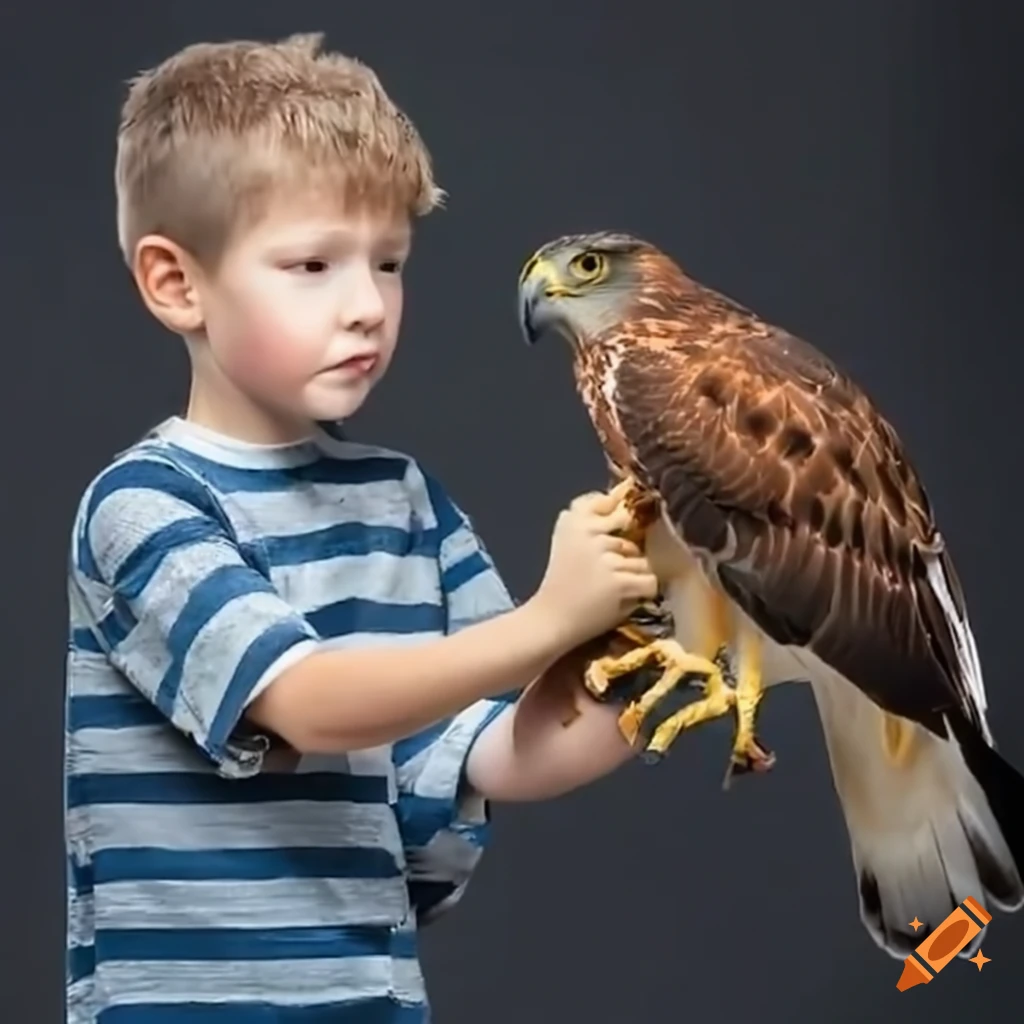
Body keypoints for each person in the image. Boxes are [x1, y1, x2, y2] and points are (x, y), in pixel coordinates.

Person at [65, 33, 667, 1024]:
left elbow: (499, 749)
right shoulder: (143, 507)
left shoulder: (405, 503)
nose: (366, 307)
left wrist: (678, 638)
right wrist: (554, 618)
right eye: (312, 264)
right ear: (177, 283)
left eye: (388, 263)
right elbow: (306, 703)